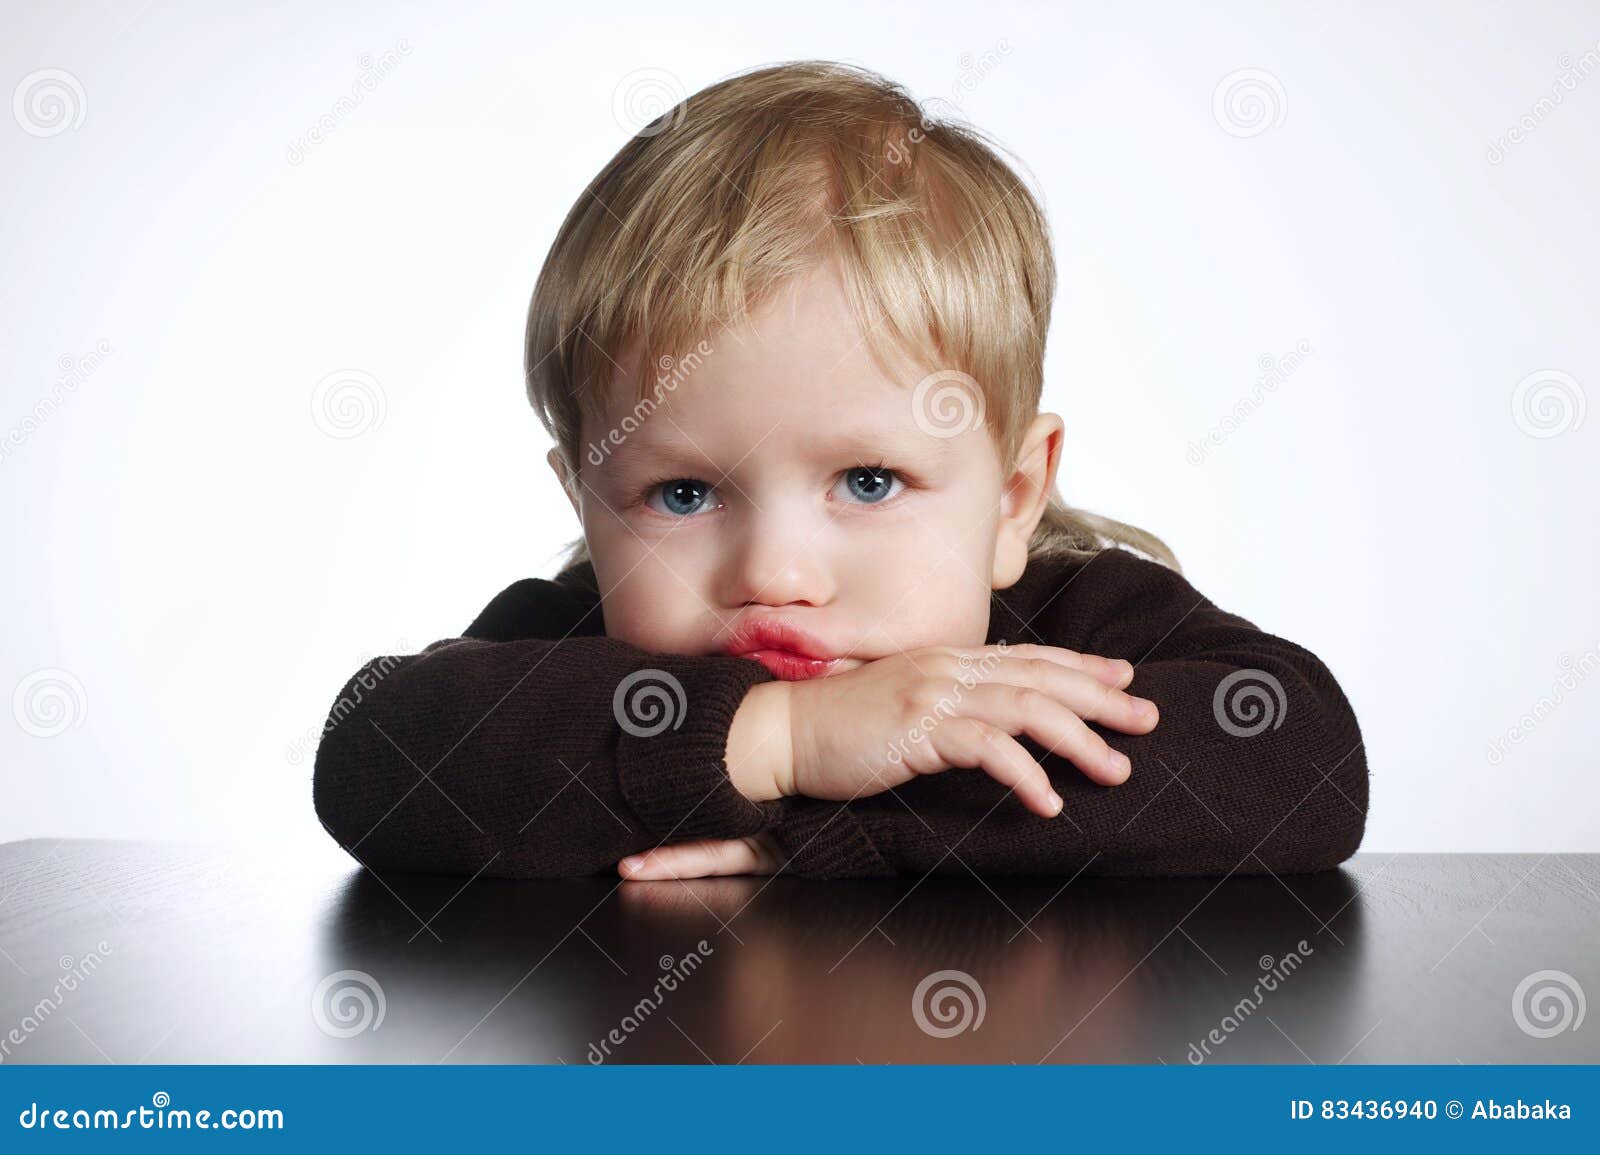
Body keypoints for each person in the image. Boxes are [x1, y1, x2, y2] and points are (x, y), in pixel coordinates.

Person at [312, 61, 1367, 881]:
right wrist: (779, 737)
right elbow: (373, 755)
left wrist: (818, 837)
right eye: (683, 494)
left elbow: (1301, 760)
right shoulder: (574, 647)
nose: (773, 571)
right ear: (587, 507)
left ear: (1013, 500)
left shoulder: (1077, 624)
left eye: (868, 482)